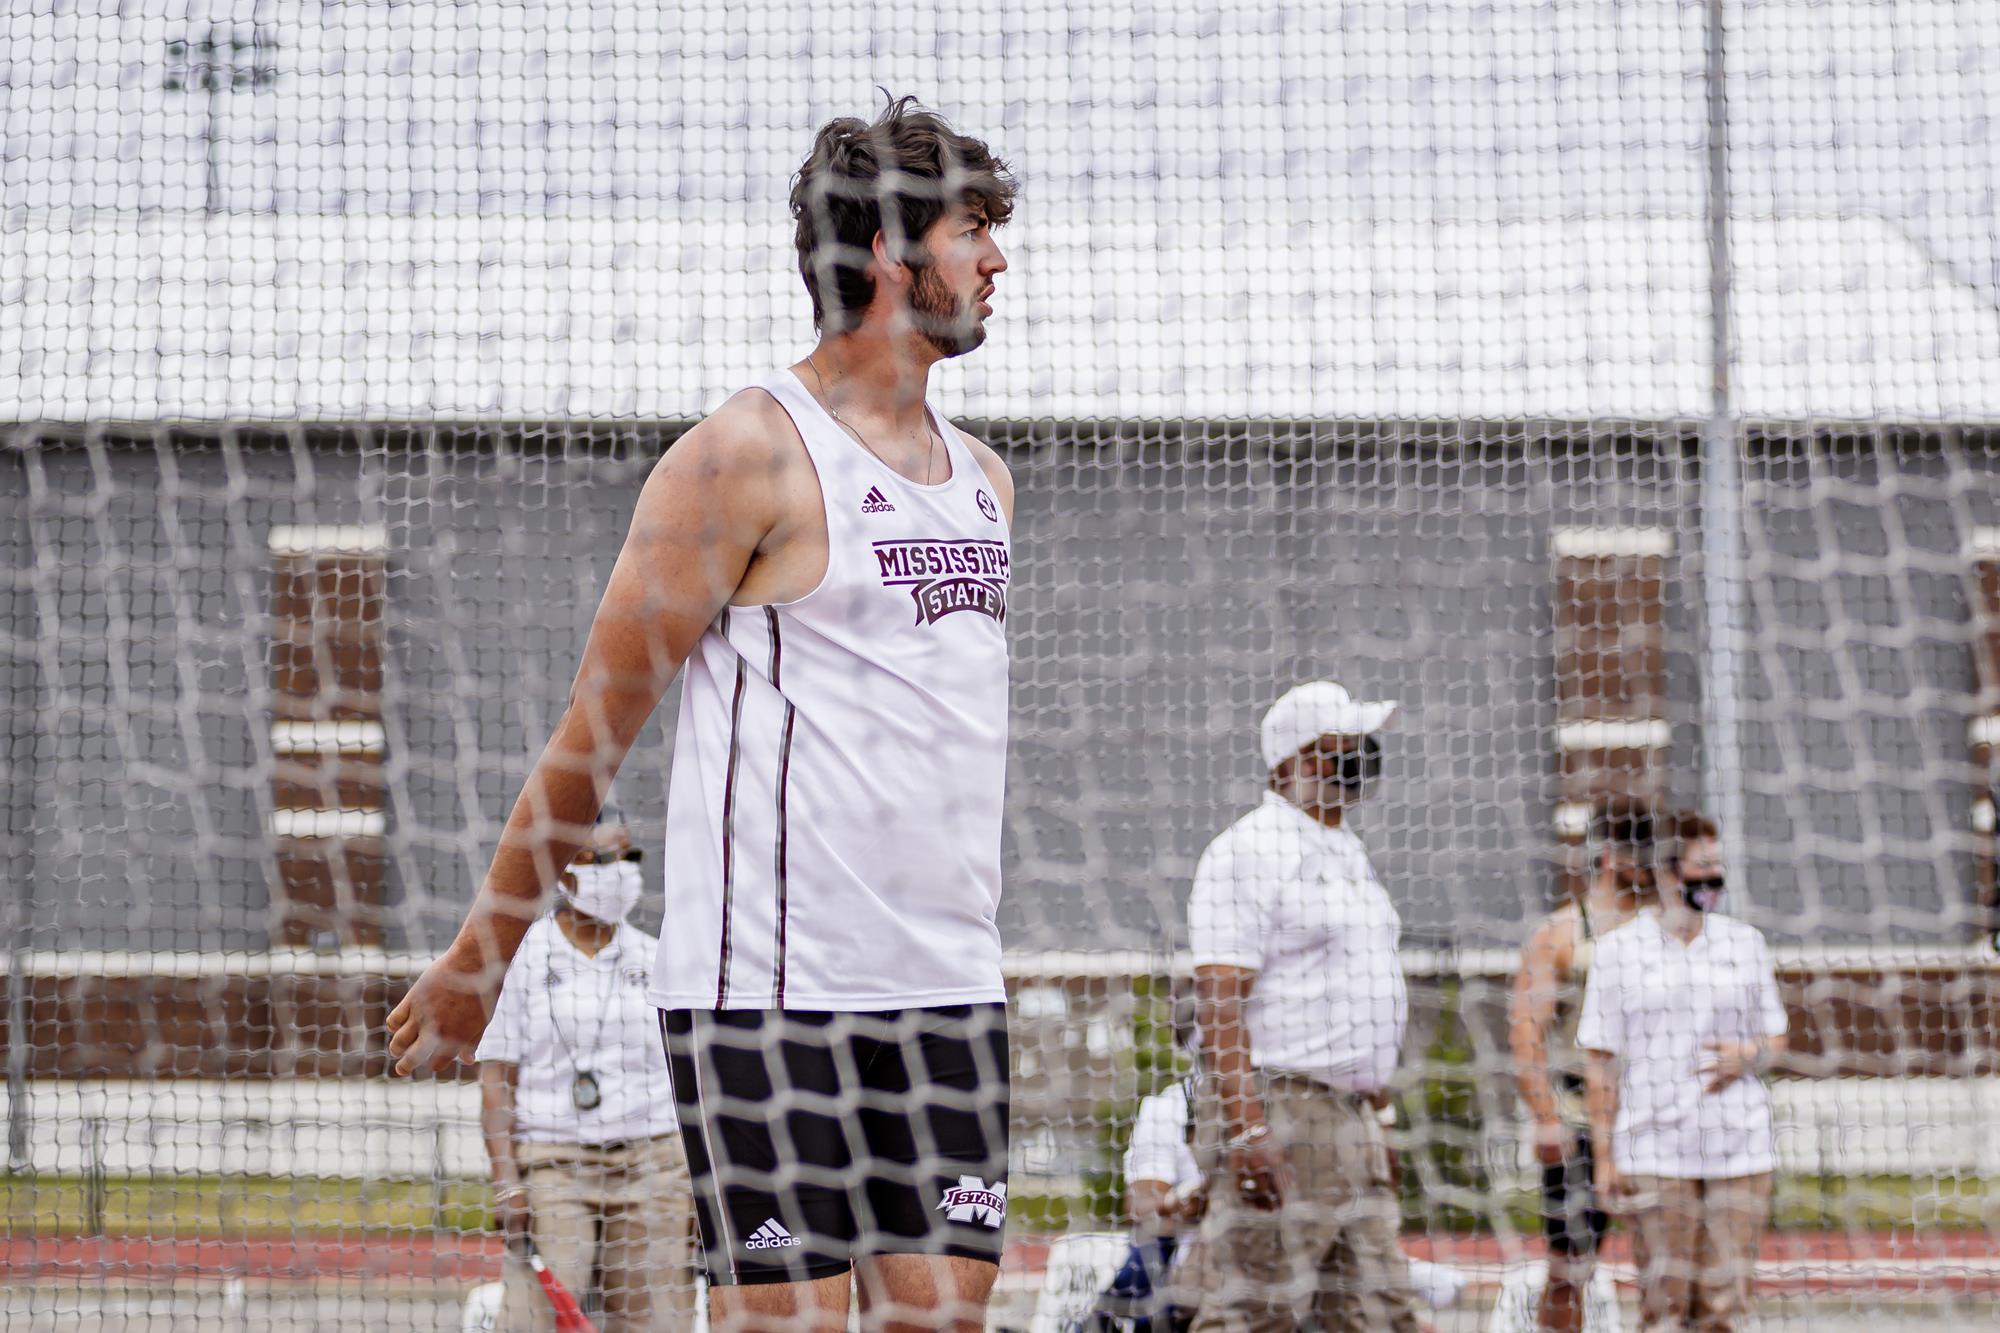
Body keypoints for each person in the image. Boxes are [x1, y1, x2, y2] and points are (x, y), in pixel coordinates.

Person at [387, 93, 1018, 1333]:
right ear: (888, 251)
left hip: (949, 993)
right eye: (972, 228)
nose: (997, 259)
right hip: (769, 1003)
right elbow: (594, 730)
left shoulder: (986, 481)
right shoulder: (747, 453)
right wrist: (482, 953)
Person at [1185, 680, 1423, 1333]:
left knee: (1378, 1313)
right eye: (1336, 746)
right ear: (1291, 760)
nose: (1356, 757)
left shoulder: (1347, 851)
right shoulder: (1249, 850)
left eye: (1359, 744)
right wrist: (1247, 1129)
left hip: (1352, 1115)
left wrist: (1380, 1118)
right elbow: (1219, 1001)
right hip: (1282, 1106)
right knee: (1255, 1311)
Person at [477, 815, 696, 1331]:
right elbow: (496, 1078)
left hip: (653, 1164)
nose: (617, 872)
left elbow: (689, 1071)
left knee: (658, 1320)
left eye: (627, 857)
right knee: (536, 1319)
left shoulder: (656, 955)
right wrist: (507, 1185)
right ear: (562, 872)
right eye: (598, 860)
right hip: (555, 1164)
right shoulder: (522, 958)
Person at [1578, 812, 1789, 1333]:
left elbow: (1777, 1038)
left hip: (1737, 1148)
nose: (1714, 878)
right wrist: (1605, 1159)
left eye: (1719, 866)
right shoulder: (1619, 952)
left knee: (1725, 1306)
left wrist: (1749, 1054)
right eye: (1704, 867)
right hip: (1654, 1150)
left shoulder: (1744, 943)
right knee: (1664, 1309)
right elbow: (1599, 1058)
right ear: (1670, 874)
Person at [1508, 798, 1657, 1331]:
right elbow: (1526, 1031)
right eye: (1647, 853)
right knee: (1571, 1268)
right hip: (1578, 1123)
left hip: (1654, 1119)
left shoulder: (1664, 932)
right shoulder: (1562, 934)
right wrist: (1545, 1118)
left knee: (1664, 1265)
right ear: (1614, 858)